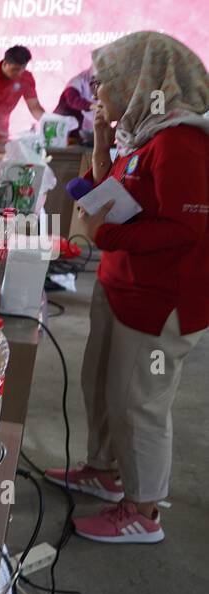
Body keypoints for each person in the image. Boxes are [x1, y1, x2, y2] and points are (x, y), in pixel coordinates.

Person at [46, 32, 209, 545]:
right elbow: (110, 190)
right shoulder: (145, 136)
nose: (97, 93)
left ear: (141, 82)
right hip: (122, 284)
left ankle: (144, 511)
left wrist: (105, 234)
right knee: (103, 386)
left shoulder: (184, 142)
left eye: (105, 83)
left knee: (139, 403)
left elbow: (188, 228)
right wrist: (99, 142)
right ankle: (106, 470)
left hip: (160, 299)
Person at [0, 45, 47, 139]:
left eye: (23, 68)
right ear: (5, 63)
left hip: (1, 134)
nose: (19, 73)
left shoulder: (26, 78)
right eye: (15, 69)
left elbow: (34, 107)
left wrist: (49, 122)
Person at [54, 66, 97, 142]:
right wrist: (93, 106)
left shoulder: (104, 87)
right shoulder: (76, 81)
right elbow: (73, 100)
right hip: (61, 131)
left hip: (81, 137)